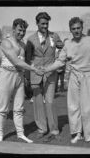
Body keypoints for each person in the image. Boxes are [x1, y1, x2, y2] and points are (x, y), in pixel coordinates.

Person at [43, 17, 90, 146]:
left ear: (82, 28)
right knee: (73, 107)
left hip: (89, 76)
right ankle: (77, 133)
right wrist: (46, 69)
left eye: (78, 28)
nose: (76, 31)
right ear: (70, 30)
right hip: (74, 77)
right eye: (73, 29)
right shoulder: (68, 44)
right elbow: (60, 61)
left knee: (88, 108)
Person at [0, 18, 42, 143]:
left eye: (24, 31)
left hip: (19, 76)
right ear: (13, 29)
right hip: (6, 74)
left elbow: (26, 61)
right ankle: (0, 134)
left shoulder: (23, 44)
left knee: (19, 107)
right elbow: (16, 61)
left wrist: (37, 66)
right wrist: (33, 69)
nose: (22, 33)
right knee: (3, 108)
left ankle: (20, 133)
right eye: (19, 30)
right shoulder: (6, 42)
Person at [25, 12, 64, 142]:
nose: (45, 26)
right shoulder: (30, 39)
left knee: (50, 102)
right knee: (37, 103)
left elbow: (62, 48)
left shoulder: (55, 36)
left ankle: (54, 129)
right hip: (36, 74)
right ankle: (42, 129)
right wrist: (30, 74)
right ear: (37, 24)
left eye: (47, 23)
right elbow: (28, 59)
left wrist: (60, 55)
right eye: (42, 23)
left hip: (51, 74)